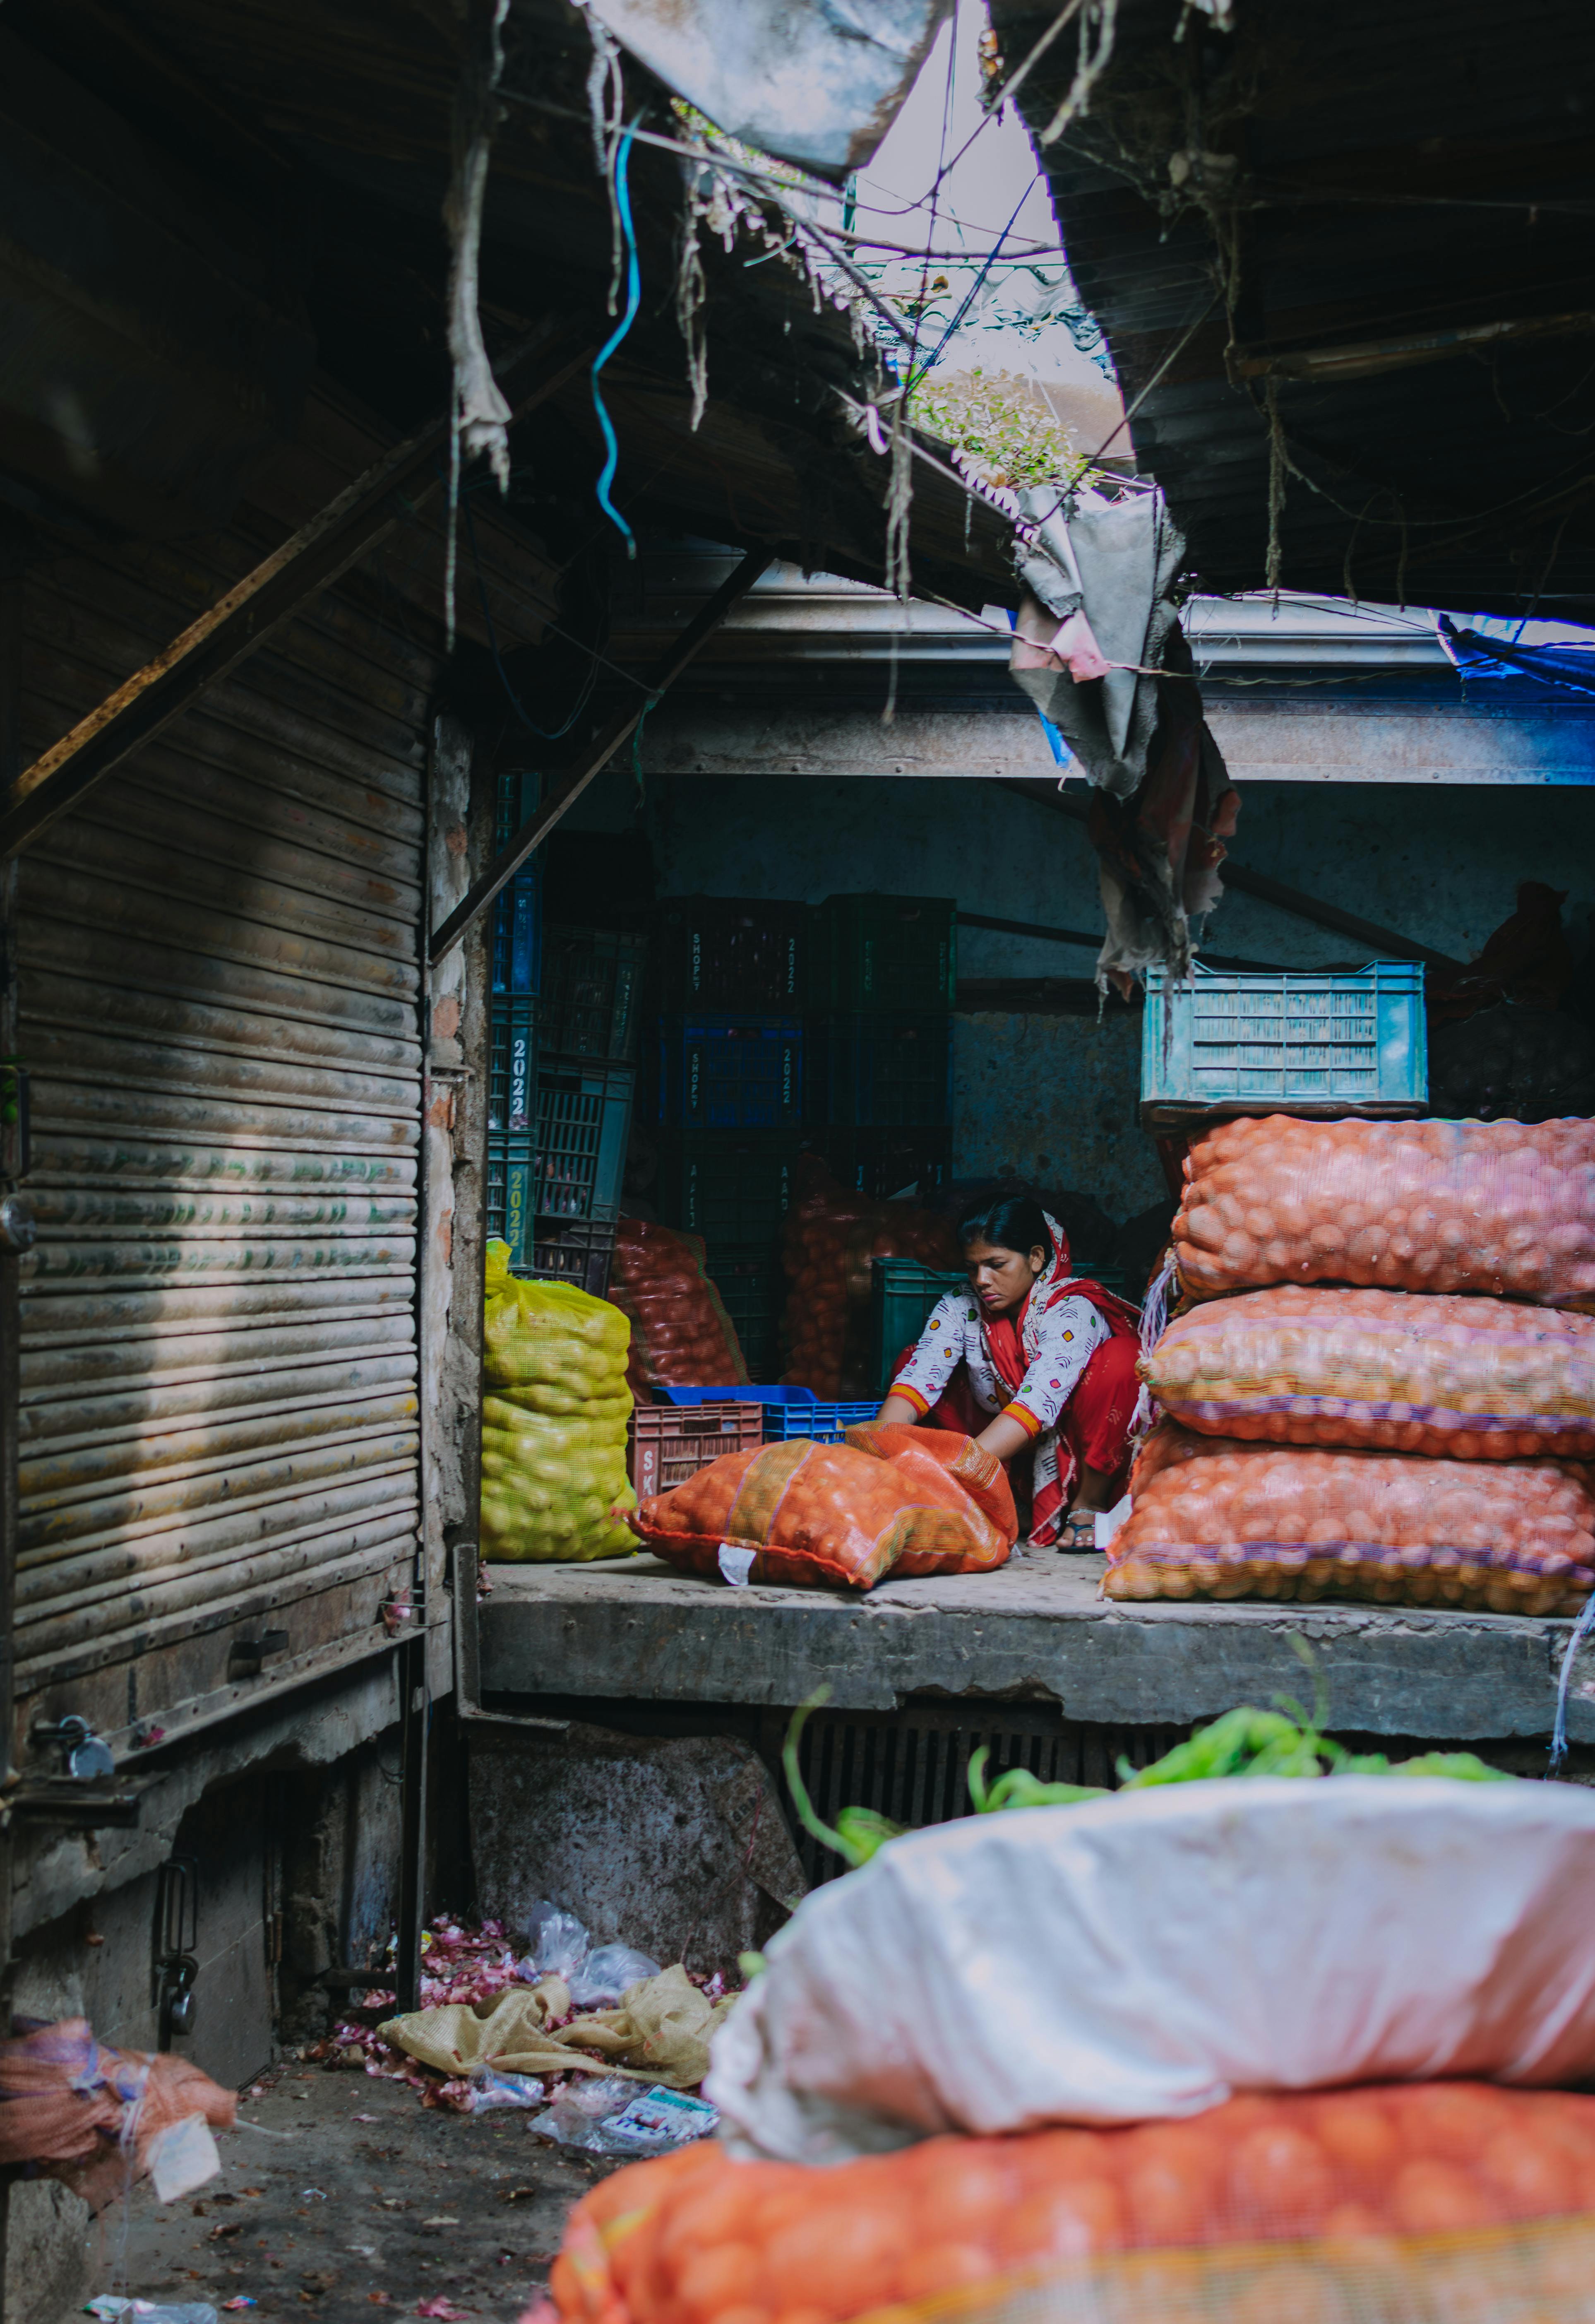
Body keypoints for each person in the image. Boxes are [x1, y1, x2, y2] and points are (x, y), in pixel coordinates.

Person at [874, 1196, 1141, 1550]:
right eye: (972, 1268)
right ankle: (1006, 1495)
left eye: (996, 1264)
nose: (982, 1280)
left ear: (1035, 1258)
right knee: (909, 1360)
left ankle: (1088, 1504)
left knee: (1124, 1359)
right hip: (1000, 1452)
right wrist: (876, 1458)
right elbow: (919, 1376)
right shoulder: (961, 1304)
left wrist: (956, 1471)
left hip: (1074, 1449)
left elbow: (1036, 1403)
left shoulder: (1072, 1310)